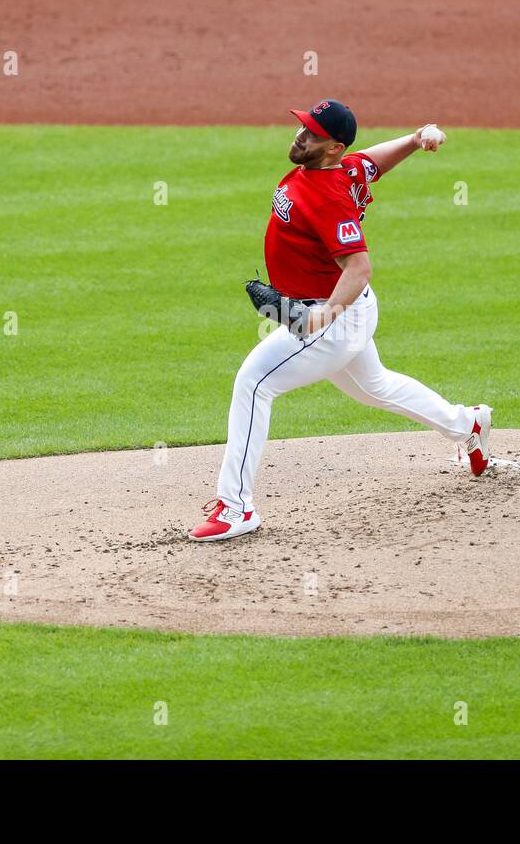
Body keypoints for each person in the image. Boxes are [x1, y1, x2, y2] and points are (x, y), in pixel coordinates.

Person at [191, 99, 492, 541]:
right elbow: (371, 161)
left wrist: (319, 318)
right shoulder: (339, 168)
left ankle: (236, 508)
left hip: (334, 315)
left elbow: (359, 268)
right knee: (376, 387)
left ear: (332, 147)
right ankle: (467, 424)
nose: (300, 136)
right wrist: (413, 138)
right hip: (347, 311)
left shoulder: (328, 195)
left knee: (255, 382)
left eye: (312, 133)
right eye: (302, 127)